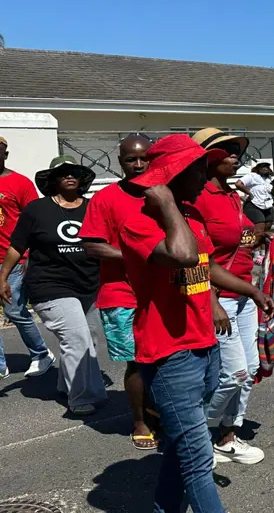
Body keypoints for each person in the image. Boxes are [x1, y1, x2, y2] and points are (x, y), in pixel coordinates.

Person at [119, 134, 272, 512]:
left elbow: (207, 265)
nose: (205, 178)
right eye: (199, 169)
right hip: (170, 353)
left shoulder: (191, 215)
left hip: (202, 342)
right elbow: (185, 256)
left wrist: (250, 291)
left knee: (181, 447)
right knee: (198, 460)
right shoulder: (138, 220)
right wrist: (166, 202)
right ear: (174, 174)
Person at [0, 156, 104, 415]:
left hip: (89, 284)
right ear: (54, 180)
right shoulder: (37, 209)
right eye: (63, 173)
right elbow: (17, 245)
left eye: (74, 173)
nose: (69, 177)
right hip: (49, 285)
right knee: (77, 338)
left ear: (81, 179)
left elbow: (107, 243)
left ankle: (66, 384)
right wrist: (3, 277)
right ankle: (81, 398)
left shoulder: (93, 207)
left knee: (89, 338)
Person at [191, 130, 268, 465]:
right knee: (233, 373)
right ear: (206, 158)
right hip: (218, 295)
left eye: (237, 149)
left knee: (250, 369)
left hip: (242, 292)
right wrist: (211, 300)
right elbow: (195, 256)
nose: (236, 154)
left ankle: (227, 436)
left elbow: (237, 235)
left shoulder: (232, 195)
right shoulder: (196, 198)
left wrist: (256, 237)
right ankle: (194, 433)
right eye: (226, 150)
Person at [80, 135, 157, 447]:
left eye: (144, 158)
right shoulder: (106, 198)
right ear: (120, 161)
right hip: (122, 293)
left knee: (168, 359)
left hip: (163, 291)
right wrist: (136, 256)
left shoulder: (166, 194)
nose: (138, 165)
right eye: (130, 159)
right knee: (137, 361)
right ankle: (140, 420)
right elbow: (91, 245)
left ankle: (164, 411)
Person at [0, 137, 52, 381]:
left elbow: (35, 222)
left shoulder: (20, 183)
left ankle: (41, 353)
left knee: (15, 311)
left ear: (6, 154)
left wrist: (31, 256)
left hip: (13, 259)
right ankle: (1, 364)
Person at [236, 162, 274, 234]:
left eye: (267, 166)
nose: (265, 168)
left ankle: (263, 244)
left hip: (267, 205)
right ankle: (257, 243)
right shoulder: (252, 176)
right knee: (259, 229)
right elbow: (238, 184)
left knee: (267, 227)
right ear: (257, 168)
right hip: (254, 204)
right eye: (262, 166)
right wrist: (249, 193)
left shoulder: (269, 178)